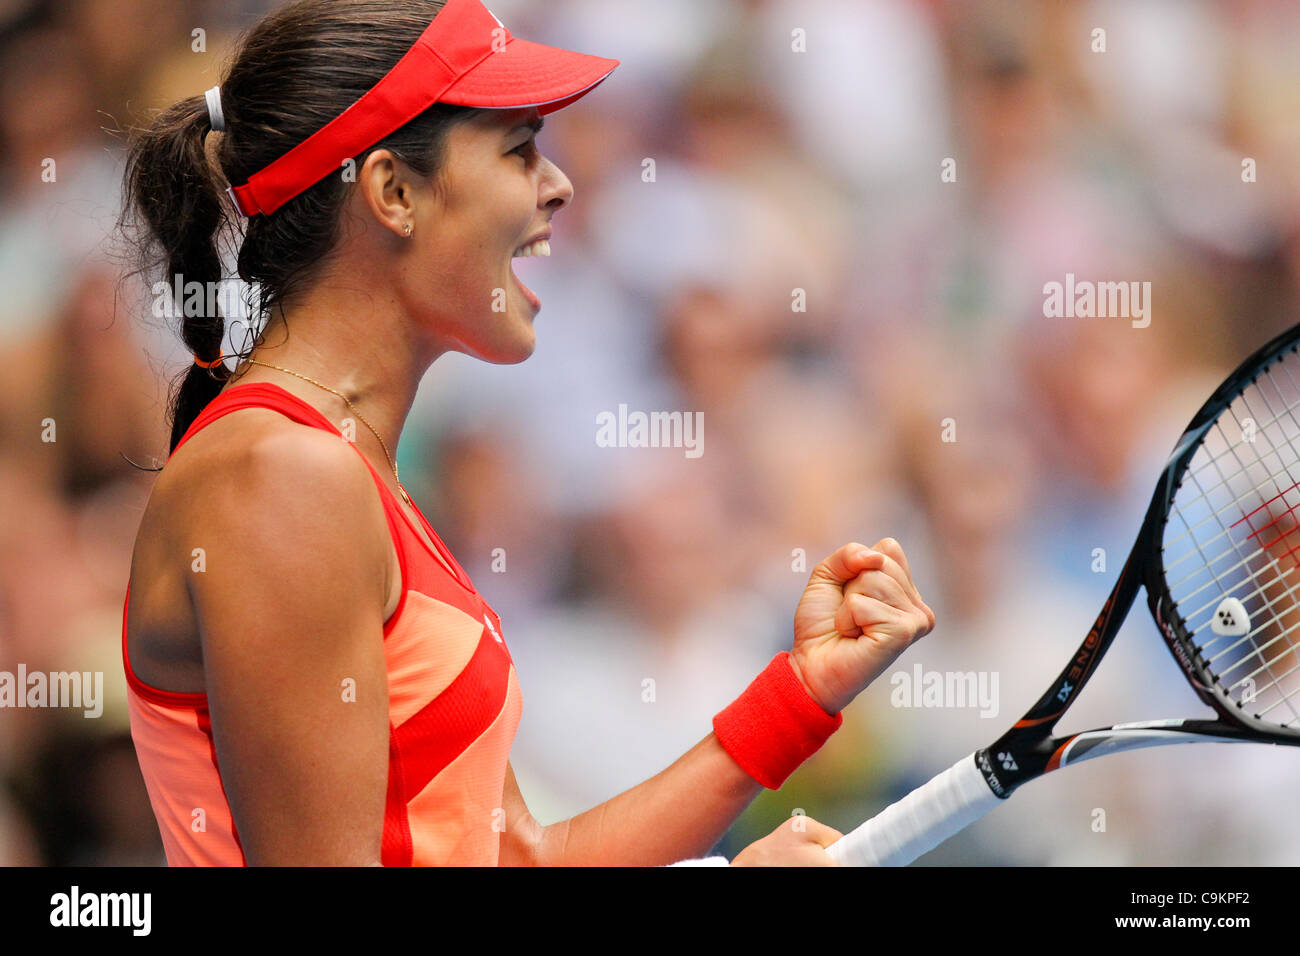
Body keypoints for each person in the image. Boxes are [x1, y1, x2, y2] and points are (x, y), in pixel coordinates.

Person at [117, 0, 935, 866]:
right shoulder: (285, 476)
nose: (559, 183)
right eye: (519, 150)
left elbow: (524, 856)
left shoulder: (339, 470)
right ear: (394, 192)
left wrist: (800, 694)